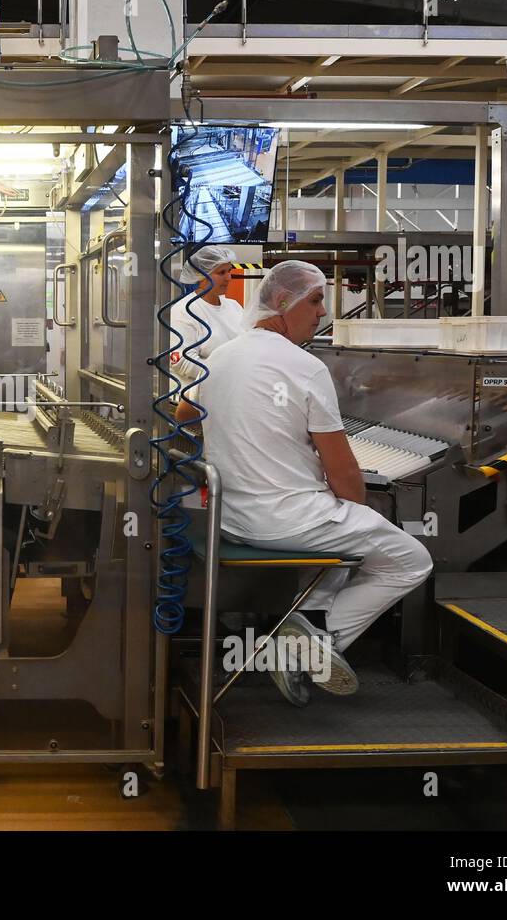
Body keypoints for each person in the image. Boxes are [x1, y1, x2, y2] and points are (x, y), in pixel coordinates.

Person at [200, 260, 433, 707]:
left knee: (341, 535)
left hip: (230, 518)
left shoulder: (221, 356)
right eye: (315, 300)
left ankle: (306, 620)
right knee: (409, 560)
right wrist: (356, 506)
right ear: (282, 302)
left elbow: (186, 411)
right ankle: (310, 643)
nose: (323, 312)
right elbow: (343, 473)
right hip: (283, 522)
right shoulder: (305, 367)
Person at [169, 244, 243, 428]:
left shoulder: (234, 307)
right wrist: (228, 375)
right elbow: (181, 361)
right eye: (221, 272)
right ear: (201, 275)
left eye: (229, 271)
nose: (228, 277)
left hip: (231, 397)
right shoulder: (184, 310)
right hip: (194, 403)